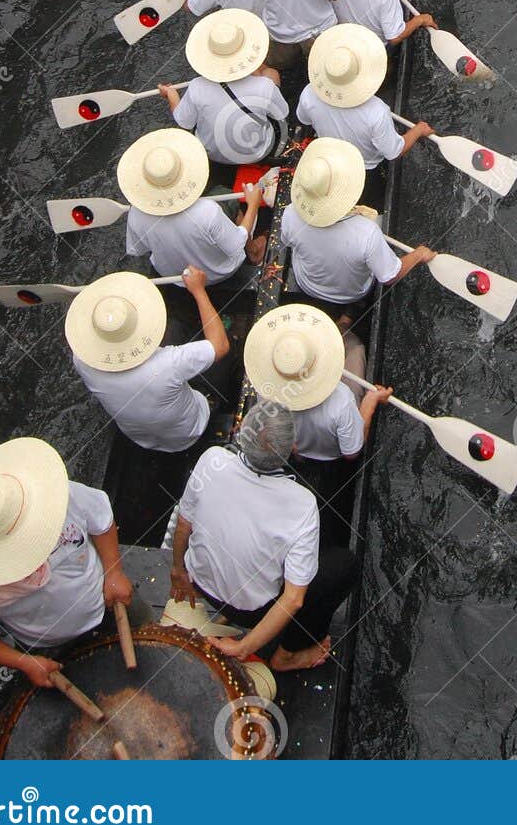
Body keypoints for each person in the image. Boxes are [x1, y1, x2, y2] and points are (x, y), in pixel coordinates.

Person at [172, 401, 357, 673]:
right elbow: (294, 599)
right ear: (293, 448)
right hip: (253, 610)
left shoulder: (212, 459)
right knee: (344, 565)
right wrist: (242, 647)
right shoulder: (302, 504)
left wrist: (177, 570)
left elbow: (183, 524)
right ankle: (287, 656)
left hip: (200, 582)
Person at [0, 437, 132, 688]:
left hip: (108, 600)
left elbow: (101, 519)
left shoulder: (60, 496)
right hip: (48, 644)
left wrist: (114, 571)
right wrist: (24, 662)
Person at [243, 304, 391, 531]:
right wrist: (370, 402)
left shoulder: (266, 387)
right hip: (329, 455)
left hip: (300, 452)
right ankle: (342, 330)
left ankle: (341, 327)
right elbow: (351, 452)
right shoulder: (341, 400)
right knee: (356, 349)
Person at [66, 267, 227, 453]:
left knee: (175, 330)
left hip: (139, 438)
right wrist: (199, 291)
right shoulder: (168, 364)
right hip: (192, 430)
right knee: (220, 357)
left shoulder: (81, 359)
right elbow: (220, 345)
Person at [281, 137, 434, 321]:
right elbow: (389, 277)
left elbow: (287, 242)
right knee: (378, 223)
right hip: (351, 294)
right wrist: (418, 255)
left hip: (306, 282)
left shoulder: (290, 213)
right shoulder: (368, 232)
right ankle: (351, 312)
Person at [120, 127, 266, 284]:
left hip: (175, 276)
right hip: (220, 272)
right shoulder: (207, 210)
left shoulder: (135, 214)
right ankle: (254, 251)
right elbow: (237, 243)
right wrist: (253, 204)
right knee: (228, 201)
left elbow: (138, 249)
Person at [161, 7, 289, 166]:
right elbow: (281, 113)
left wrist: (171, 95)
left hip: (211, 155)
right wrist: (255, 69)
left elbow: (184, 122)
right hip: (258, 152)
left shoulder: (197, 87)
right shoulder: (265, 86)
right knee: (271, 73)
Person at [297, 23, 432, 170]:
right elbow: (394, 152)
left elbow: (304, 119)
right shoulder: (377, 112)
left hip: (332, 157)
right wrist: (419, 130)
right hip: (366, 165)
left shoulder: (308, 93)